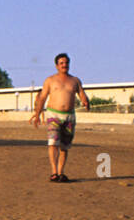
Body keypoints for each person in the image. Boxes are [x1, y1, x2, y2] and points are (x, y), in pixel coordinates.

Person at [30, 53, 90, 182]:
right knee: (53, 143)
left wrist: (86, 101)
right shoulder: (50, 80)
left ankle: (61, 172)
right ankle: (54, 172)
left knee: (64, 146)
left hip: (69, 117)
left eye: (66, 63)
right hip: (53, 115)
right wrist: (37, 113)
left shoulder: (75, 81)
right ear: (57, 65)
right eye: (61, 63)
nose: (64, 65)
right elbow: (42, 97)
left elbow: (82, 94)